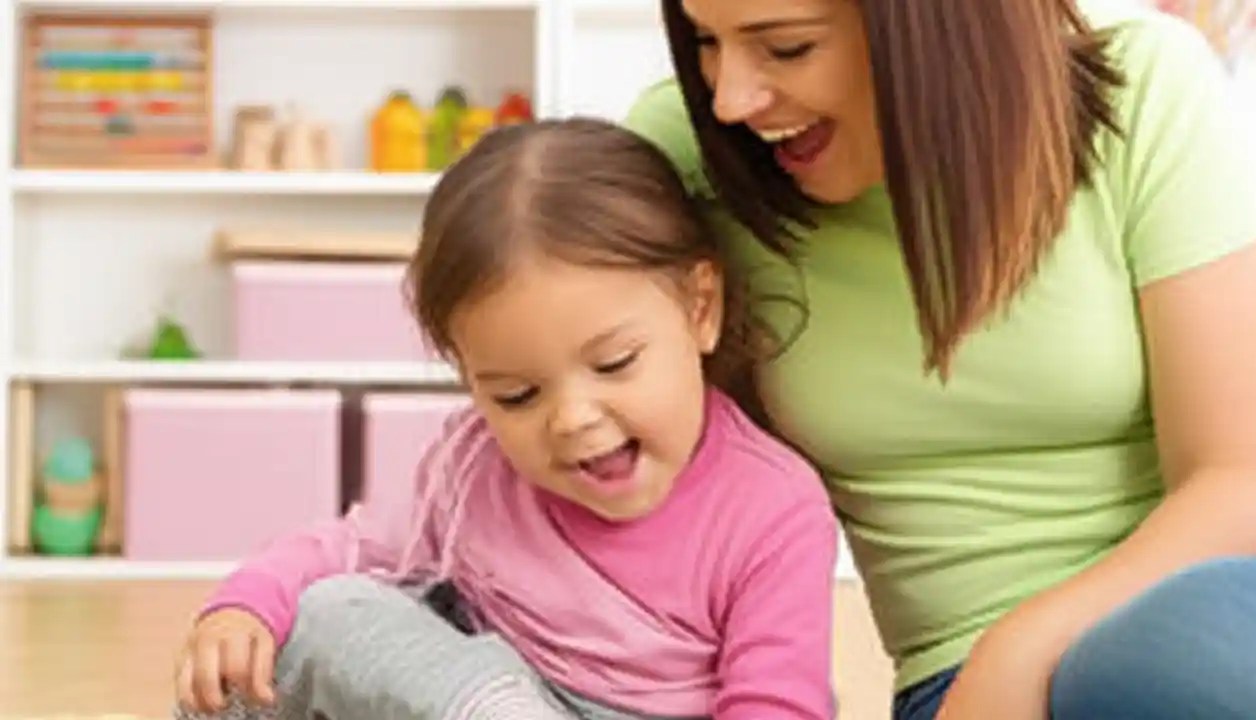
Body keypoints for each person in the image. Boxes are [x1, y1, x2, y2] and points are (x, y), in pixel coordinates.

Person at [623, 0, 1256, 718]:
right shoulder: (686, 158)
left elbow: (1247, 480)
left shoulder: (1141, 86)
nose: (729, 98)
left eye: (787, 48)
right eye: (704, 42)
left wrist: (1021, 651)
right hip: (959, 679)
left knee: (1186, 654)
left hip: (1195, 626)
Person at [170, 118, 840, 720]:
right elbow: (354, 548)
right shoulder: (475, 462)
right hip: (476, 695)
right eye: (518, 395)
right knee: (322, 612)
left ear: (700, 308)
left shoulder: (774, 508)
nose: (572, 418)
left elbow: (777, 704)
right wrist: (243, 605)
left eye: (614, 364)